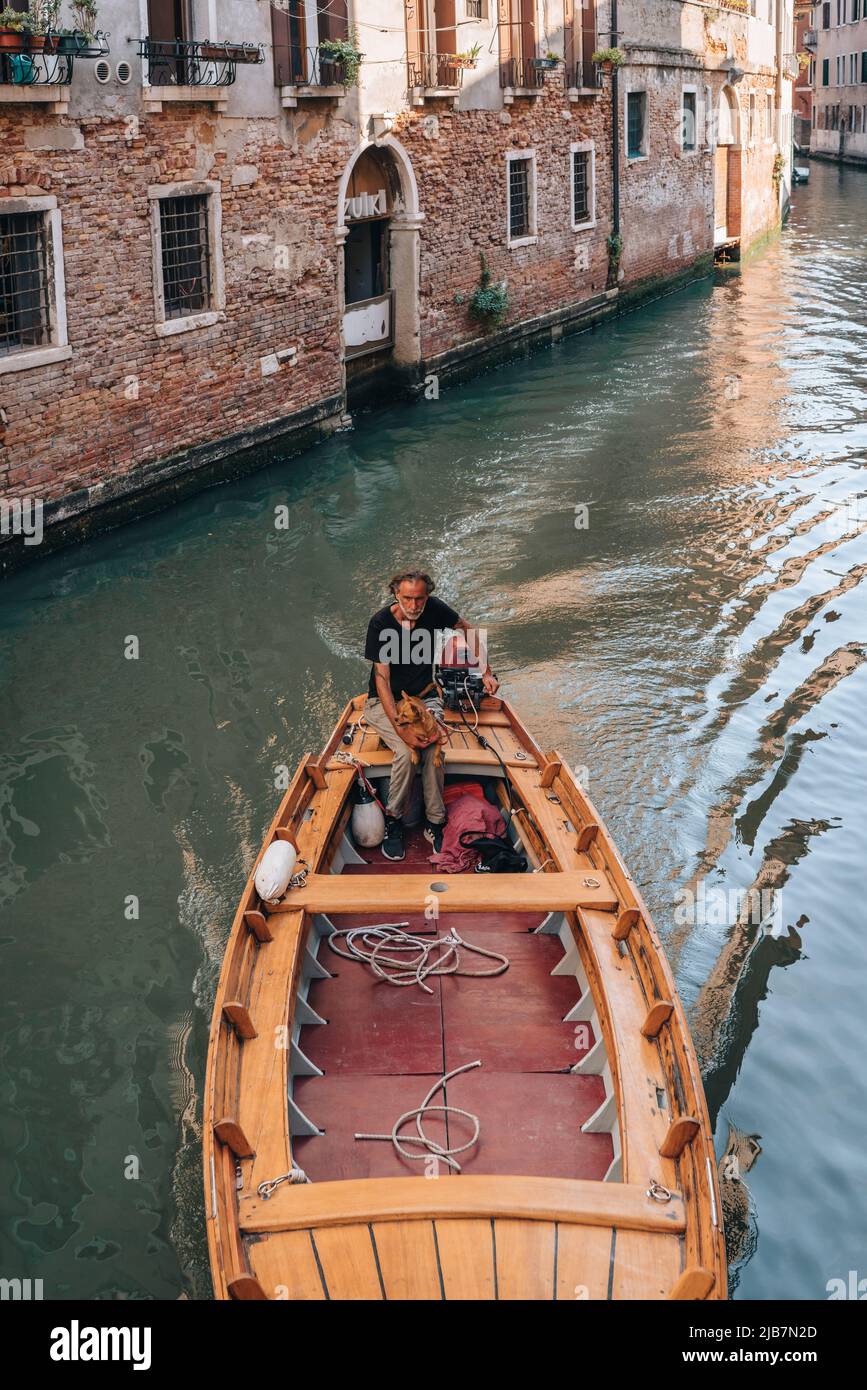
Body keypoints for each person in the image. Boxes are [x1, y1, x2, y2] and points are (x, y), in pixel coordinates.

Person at [363, 569, 499, 860]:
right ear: (396, 595)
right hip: (383, 702)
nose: (414, 606)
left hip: (425, 698)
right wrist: (401, 730)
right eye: (407, 599)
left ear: (427, 596)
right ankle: (394, 821)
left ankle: (435, 822)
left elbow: (466, 629)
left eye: (420, 599)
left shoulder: (435, 609)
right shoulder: (380, 623)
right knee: (405, 750)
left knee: (435, 749)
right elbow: (382, 680)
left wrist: (486, 670)